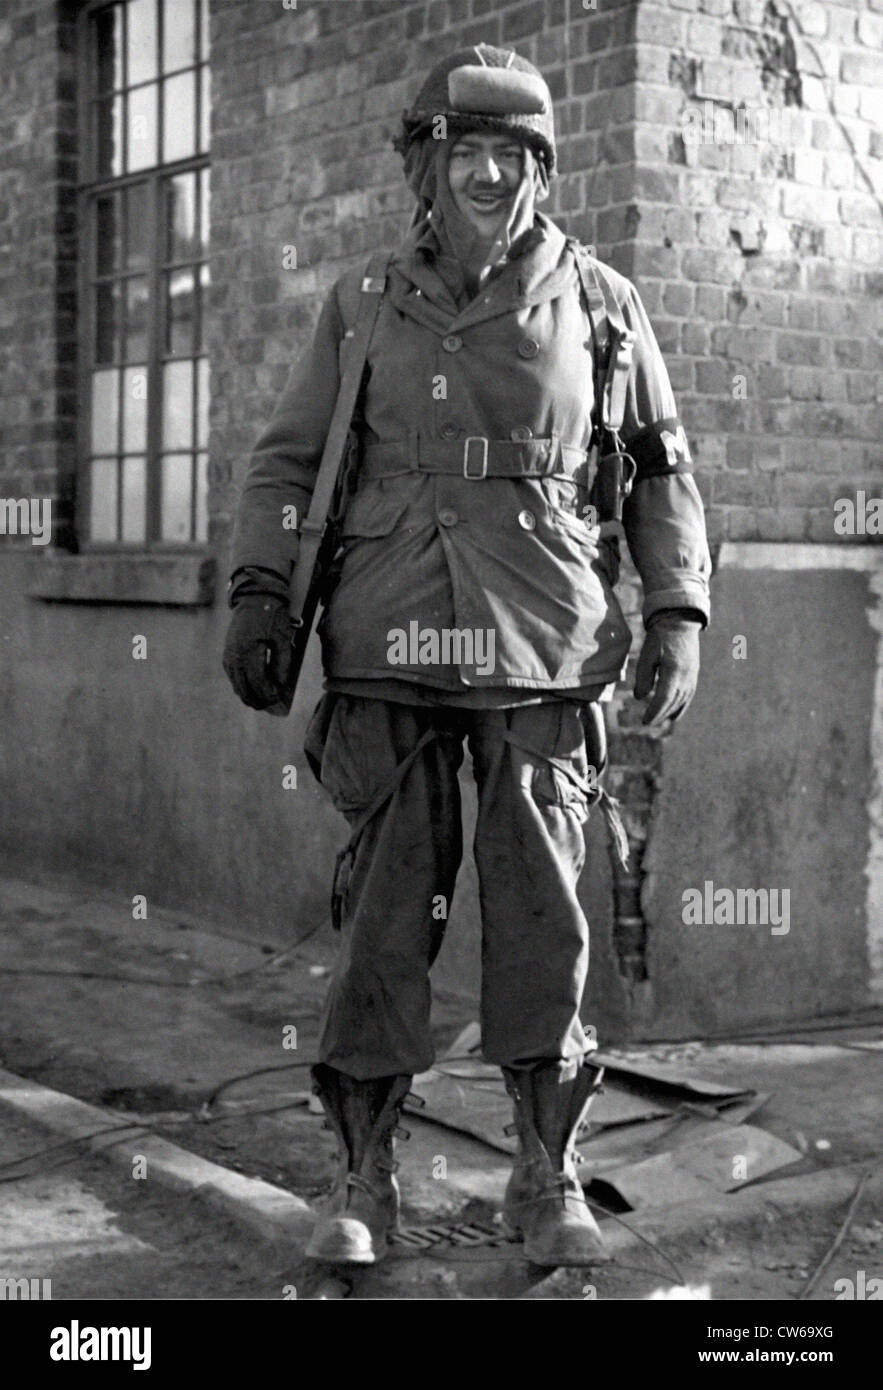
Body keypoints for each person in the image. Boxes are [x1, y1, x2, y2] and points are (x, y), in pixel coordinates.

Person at [223, 43, 711, 1268]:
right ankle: (364, 1175)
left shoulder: (599, 301)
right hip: (388, 639)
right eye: (464, 153)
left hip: (544, 647)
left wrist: (677, 610)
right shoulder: (364, 302)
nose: (487, 176)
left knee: (544, 915)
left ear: (541, 171)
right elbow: (287, 459)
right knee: (388, 918)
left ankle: (544, 1176)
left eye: (512, 156)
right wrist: (256, 588)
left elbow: (659, 466)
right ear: (424, 168)